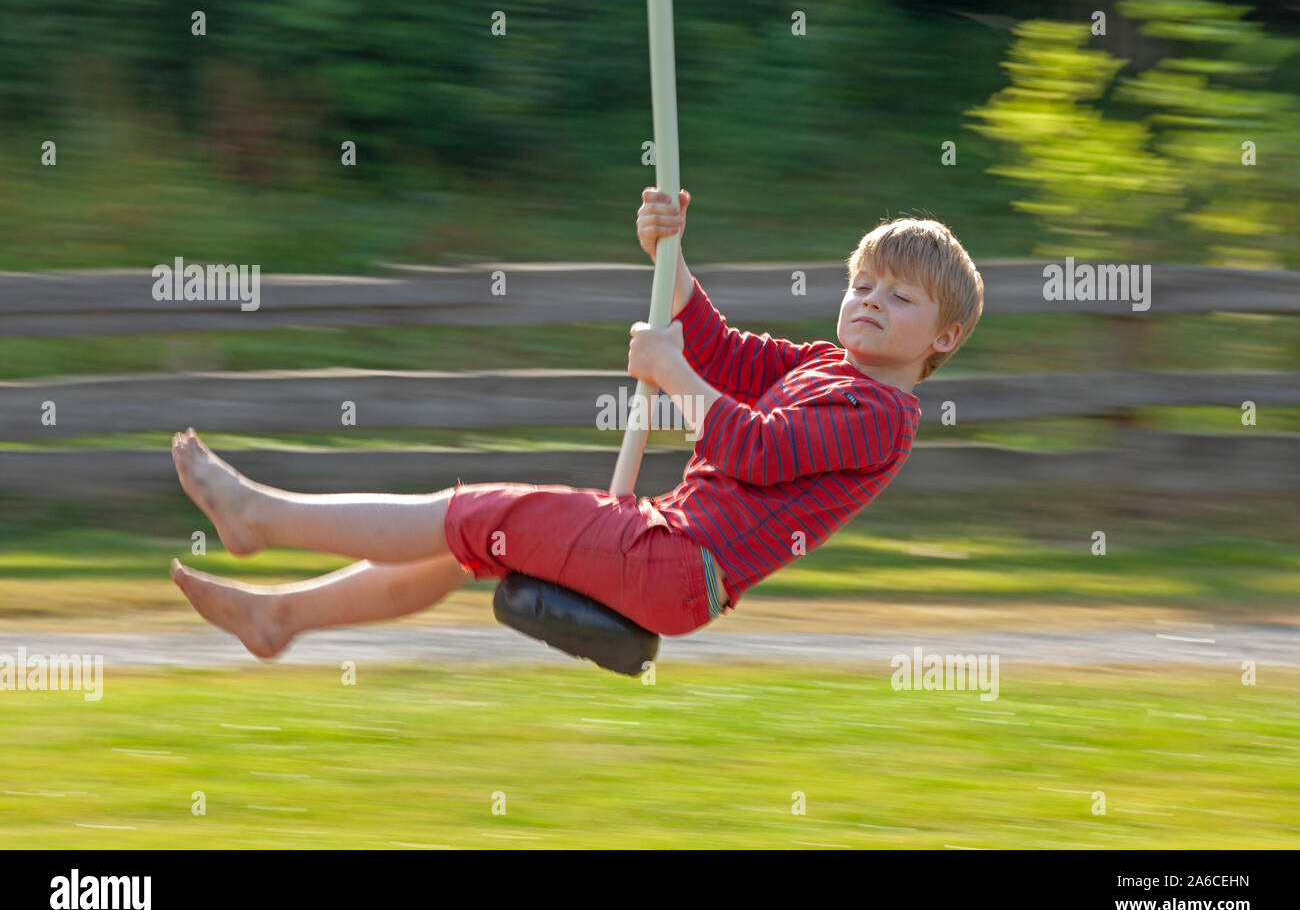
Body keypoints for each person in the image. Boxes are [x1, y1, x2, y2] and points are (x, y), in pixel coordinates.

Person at [170, 188, 983, 657]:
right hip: (662, 539)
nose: (870, 301)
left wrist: (672, 377)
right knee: (469, 547)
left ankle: (259, 516)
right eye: (863, 284)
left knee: (479, 513)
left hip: (677, 562)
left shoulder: (884, 417)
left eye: (899, 297)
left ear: (944, 337)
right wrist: (671, 258)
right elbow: (723, 351)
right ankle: (283, 617)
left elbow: (758, 449)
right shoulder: (822, 365)